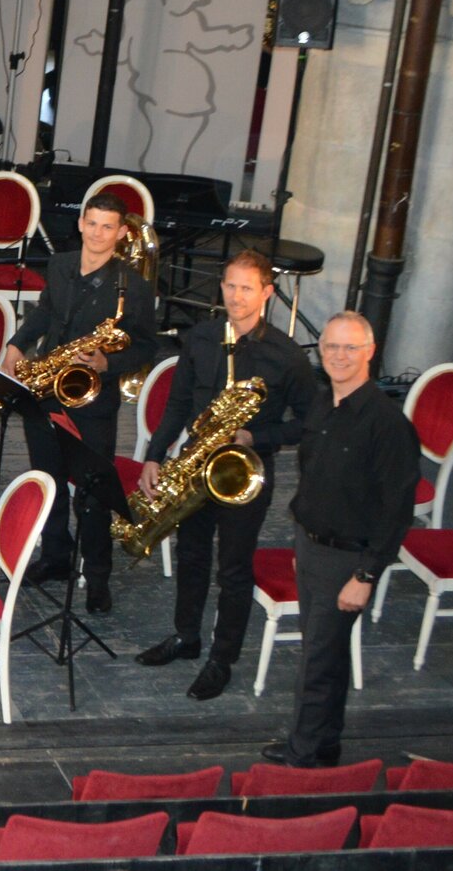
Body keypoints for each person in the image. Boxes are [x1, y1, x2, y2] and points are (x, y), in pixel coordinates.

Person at [135, 250, 316, 701]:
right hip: (198, 466)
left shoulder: (286, 355)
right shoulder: (200, 338)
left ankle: (223, 659)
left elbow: (310, 421)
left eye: (247, 288)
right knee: (192, 557)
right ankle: (186, 637)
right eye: (230, 286)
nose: (236, 297)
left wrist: (257, 437)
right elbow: (177, 404)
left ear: (267, 294)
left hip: (245, 473)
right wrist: (155, 456)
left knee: (234, 570)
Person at [263, 312, 417, 767]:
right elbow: (314, 481)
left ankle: (305, 753)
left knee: (317, 662)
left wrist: (366, 575)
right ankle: (324, 741)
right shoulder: (322, 403)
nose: (339, 356)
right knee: (323, 656)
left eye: (350, 348)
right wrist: (300, 546)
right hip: (311, 546)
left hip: (346, 560)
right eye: (331, 347)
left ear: (370, 352)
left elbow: (397, 512)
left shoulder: (387, 424)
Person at [0, 192, 159, 612]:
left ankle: (98, 575)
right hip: (49, 389)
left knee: (91, 490)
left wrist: (108, 362)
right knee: (47, 477)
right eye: (93, 223)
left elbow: (146, 347)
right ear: (81, 223)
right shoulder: (61, 265)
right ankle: (55, 556)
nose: (98, 233)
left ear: (121, 233)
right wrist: (18, 344)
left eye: (109, 227)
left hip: (94, 401)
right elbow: (46, 312)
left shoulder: (134, 287)